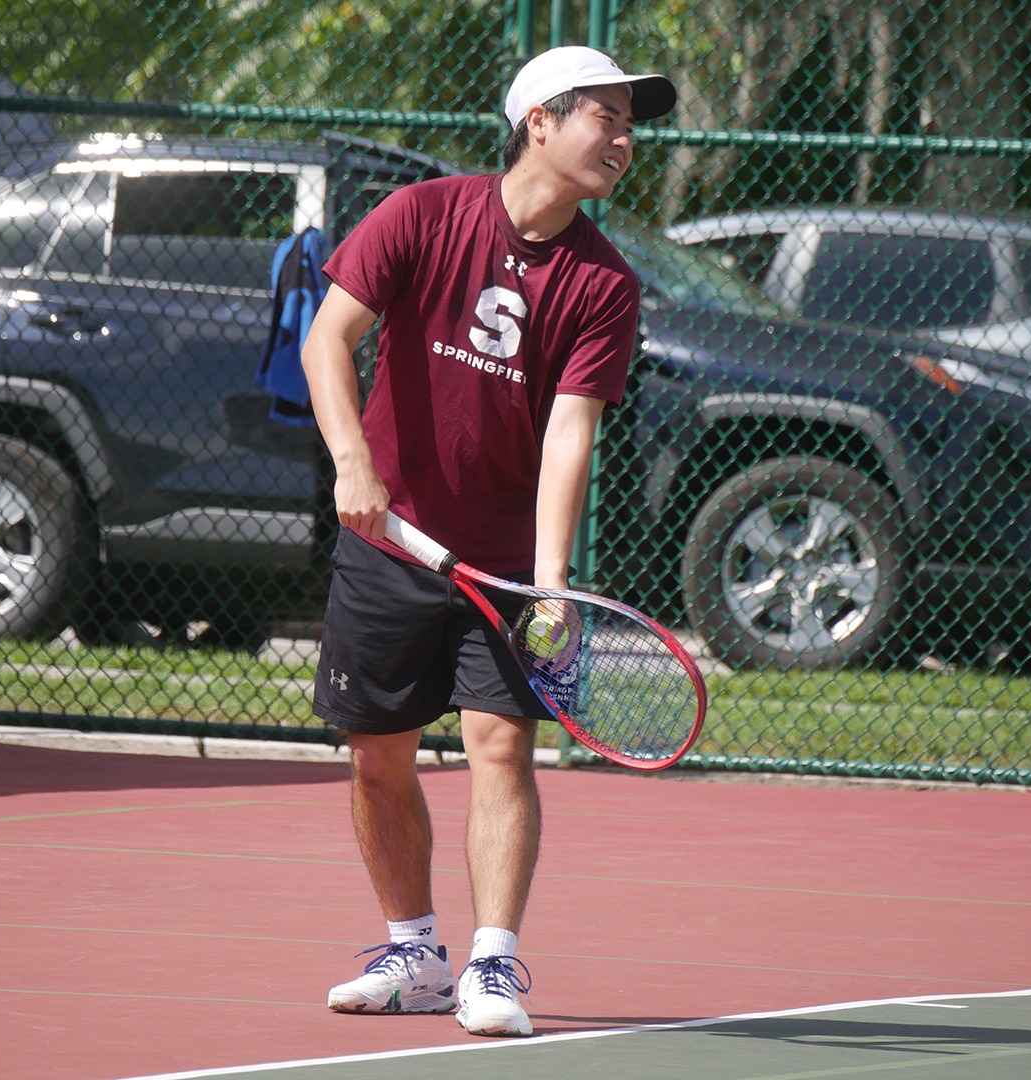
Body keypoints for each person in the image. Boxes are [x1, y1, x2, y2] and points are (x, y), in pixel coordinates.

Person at [298, 47, 675, 1037]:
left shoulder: (604, 285)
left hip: (500, 562)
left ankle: (493, 966)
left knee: (498, 747)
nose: (627, 141)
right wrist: (352, 462)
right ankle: (413, 952)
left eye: (633, 125)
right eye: (609, 117)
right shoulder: (421, 216)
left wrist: (548, 582)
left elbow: (569, 432)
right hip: (388, 543)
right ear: (540, 122)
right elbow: (327, 338)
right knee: (378, 755)